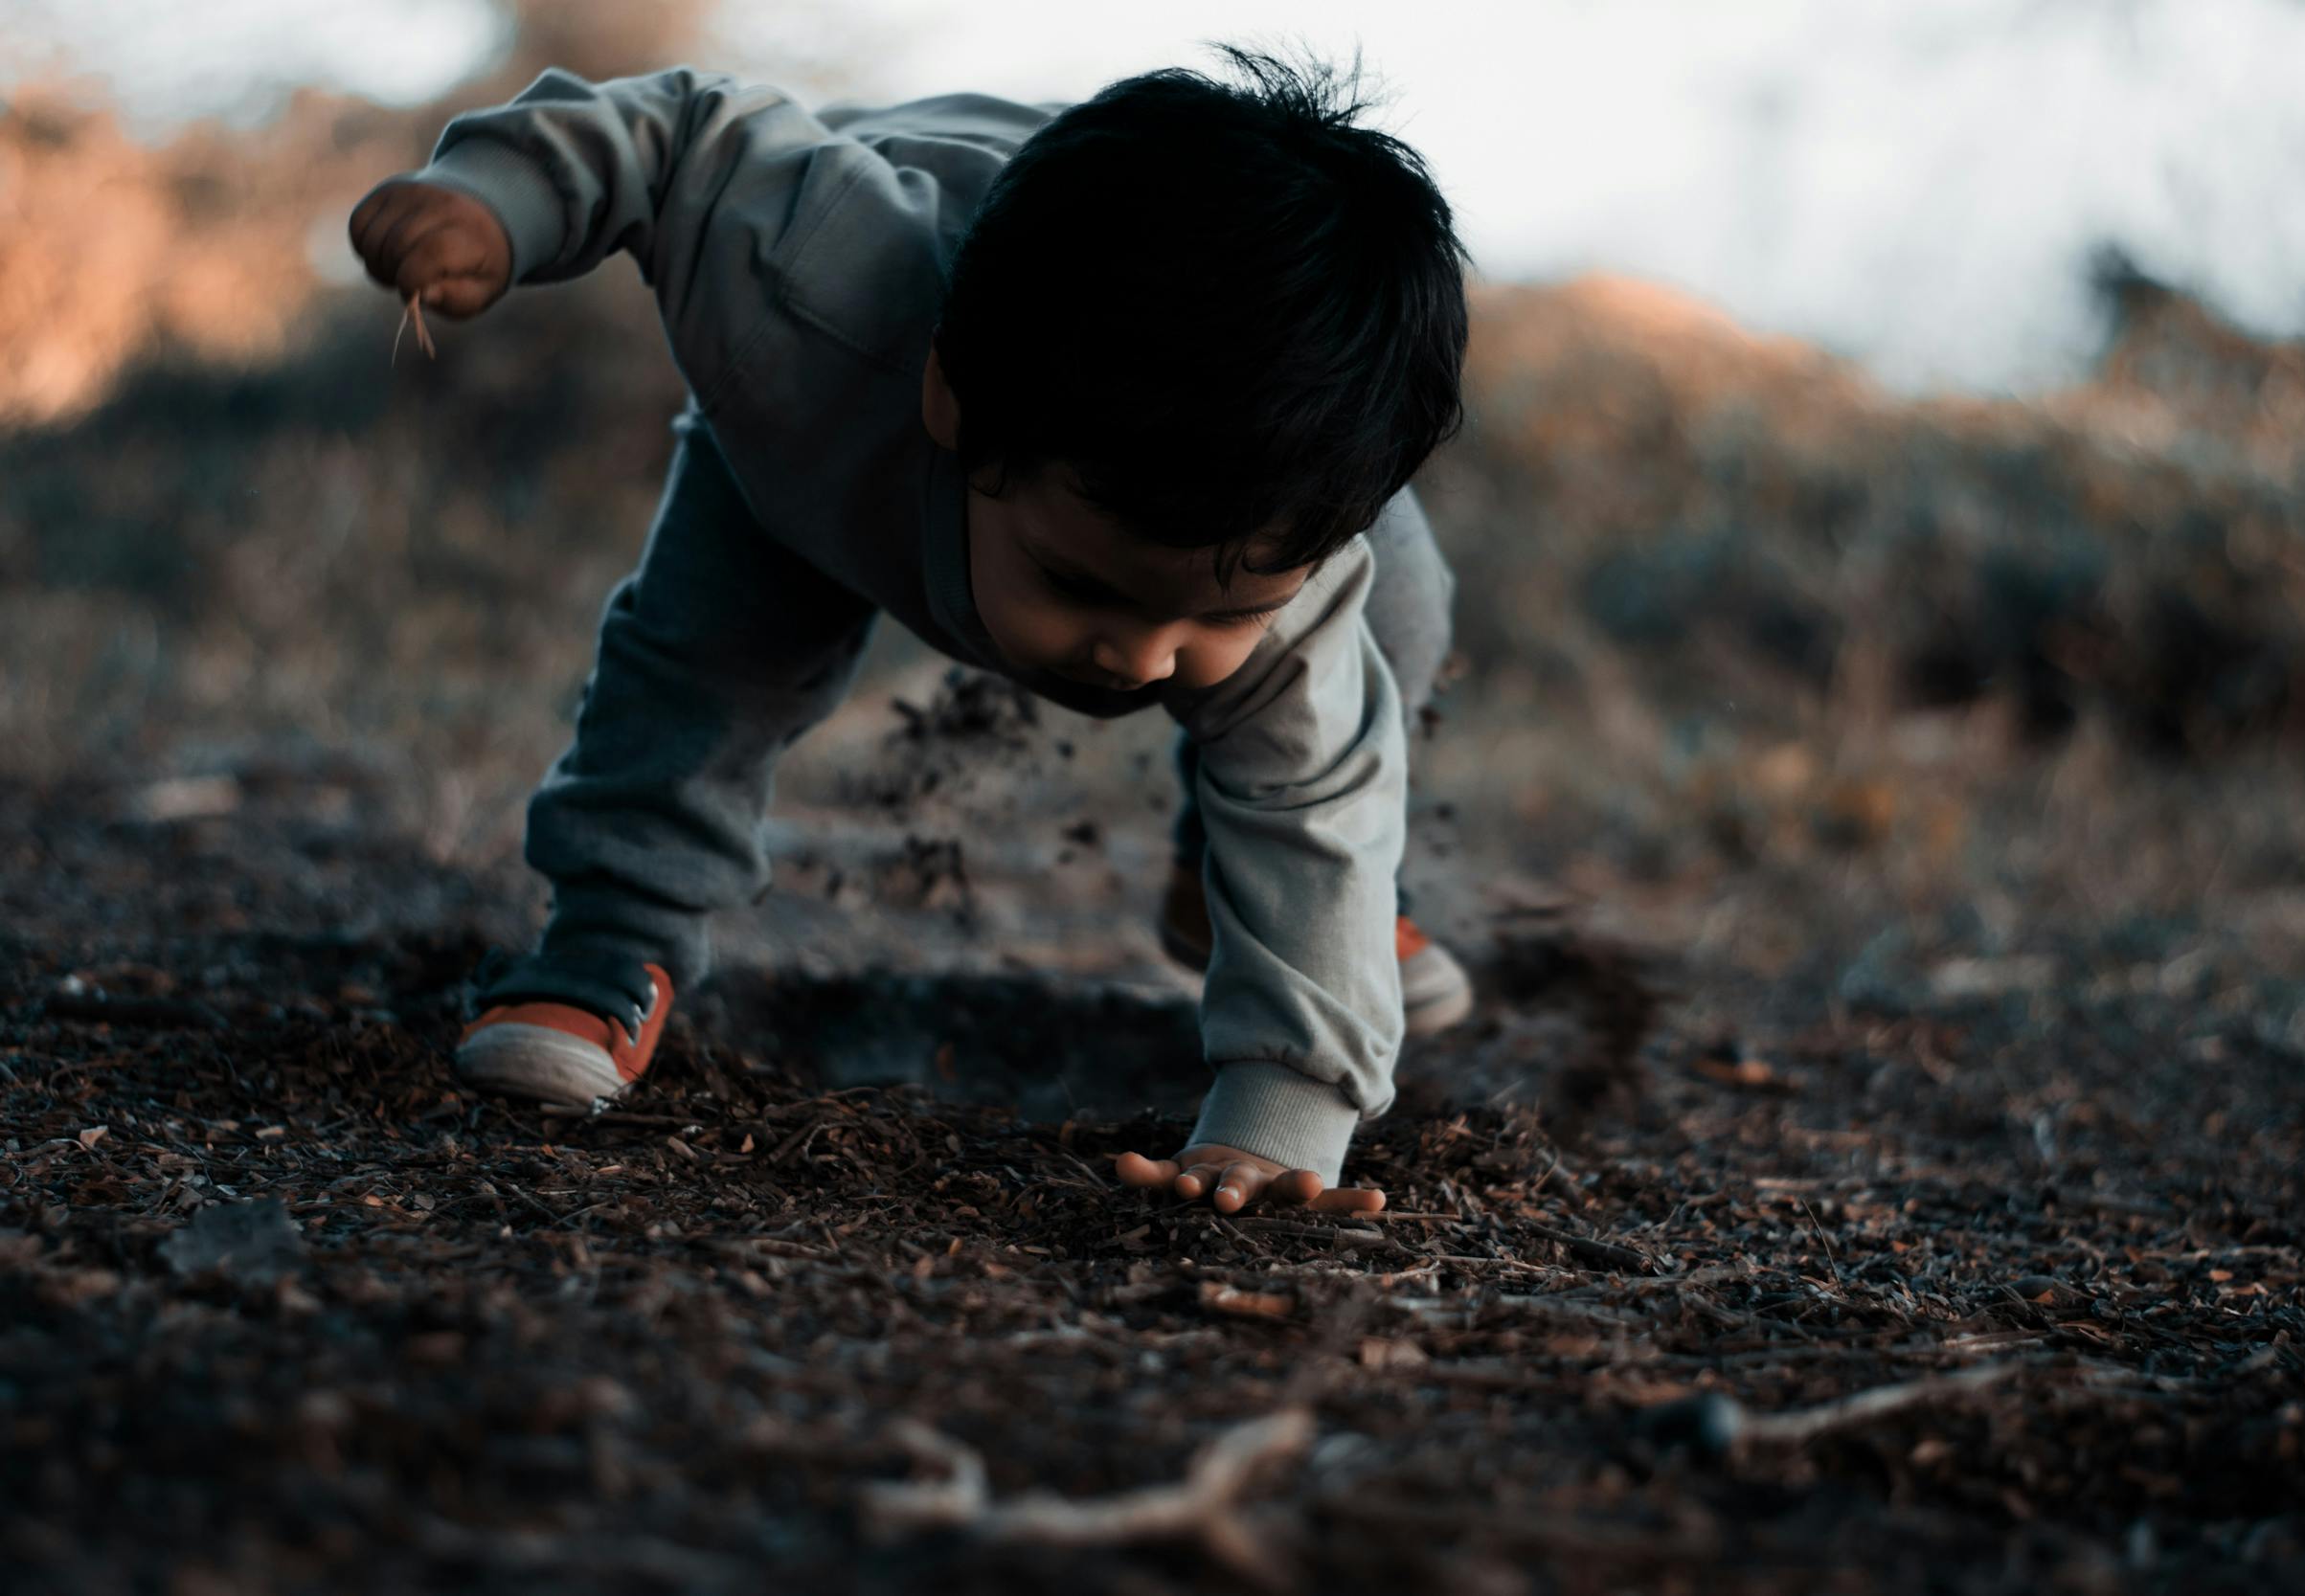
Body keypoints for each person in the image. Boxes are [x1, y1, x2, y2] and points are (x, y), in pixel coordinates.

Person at [348, 42, 1473, 1215]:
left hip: (1229, 451)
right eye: (1081, 582)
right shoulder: (815, 287)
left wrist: (1280, 1119)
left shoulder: (1289, 564)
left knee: (1391, 617)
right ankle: (597, 952)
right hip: (826, 446)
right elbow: (673, 137)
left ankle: (1219, 874)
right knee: (699, 663)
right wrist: (498, 200)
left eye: (1218, 614)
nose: (1138, 659)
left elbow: (1314, 806)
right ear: (958, 401)